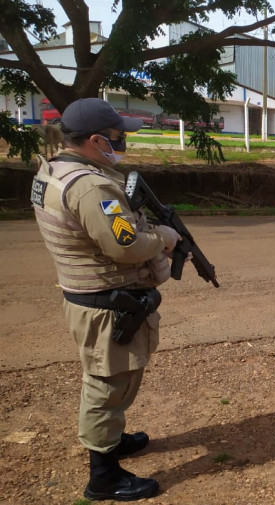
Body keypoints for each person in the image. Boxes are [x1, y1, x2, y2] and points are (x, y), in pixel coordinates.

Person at [30, 98, 181, 501]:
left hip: (88, 296)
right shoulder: (92, 186)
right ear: (96, 140)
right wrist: (164, 239)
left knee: (111, 379)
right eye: (119, 137)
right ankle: (104, 476)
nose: (124, 142)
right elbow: (127, 245)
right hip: (106, 303)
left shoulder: (53, 170)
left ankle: (111, 442)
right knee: (106, 385)